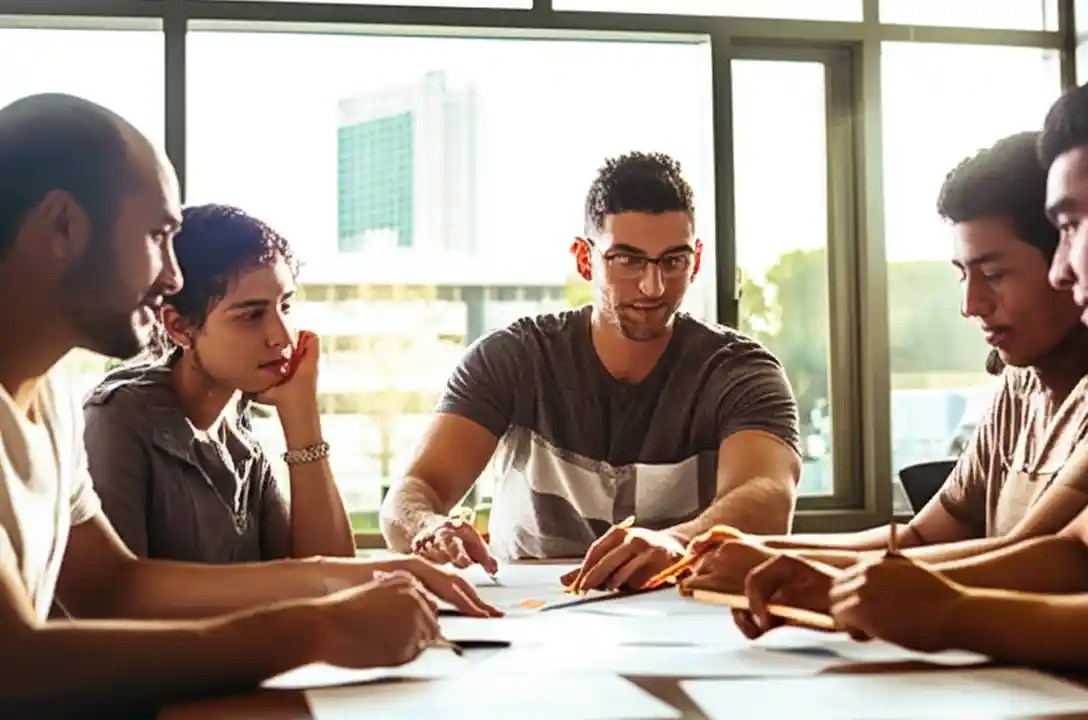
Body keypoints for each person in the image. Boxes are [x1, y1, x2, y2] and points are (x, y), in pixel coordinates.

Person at [777, 52, 1088, 686]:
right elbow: (1085, 550)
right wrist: (839, 585)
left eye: (1070, 226)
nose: (1062, 269)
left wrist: (956, 615)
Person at [0, 93, 497, 718]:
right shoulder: (113, 413)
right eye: (158, 237)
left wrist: (351, 579)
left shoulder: (46, 398)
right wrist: (318, 630)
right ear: (64, 226)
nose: (173, 279)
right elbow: (12, 664)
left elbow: (113, 584)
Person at [682, 132, 1088, 611]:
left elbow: (1037, 555)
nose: (971, 305)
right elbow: (920, 536)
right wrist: (753, 553)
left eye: (995, 275)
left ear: (1068, 256)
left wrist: (818, 579)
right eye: (964, 274)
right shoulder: (1021, 382)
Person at [381, 151, 802, 591]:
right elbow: (412, 493)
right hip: (531, 620)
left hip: (681, 607)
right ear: (586, 259)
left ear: (694, 261)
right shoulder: (511, 358)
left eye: (672, 261)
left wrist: (676, 543)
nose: (652, 286)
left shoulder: (741, 371)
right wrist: (429, 528)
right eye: (628, 260)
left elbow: (767, 499)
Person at [83, 204, 354, 563]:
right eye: (252, 316)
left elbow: (330, 574)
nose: (283, 338)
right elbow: (115, 599)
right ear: (179, 328)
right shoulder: (117, 418)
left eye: (285, 307)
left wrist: (301, 414)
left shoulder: (236, 429)